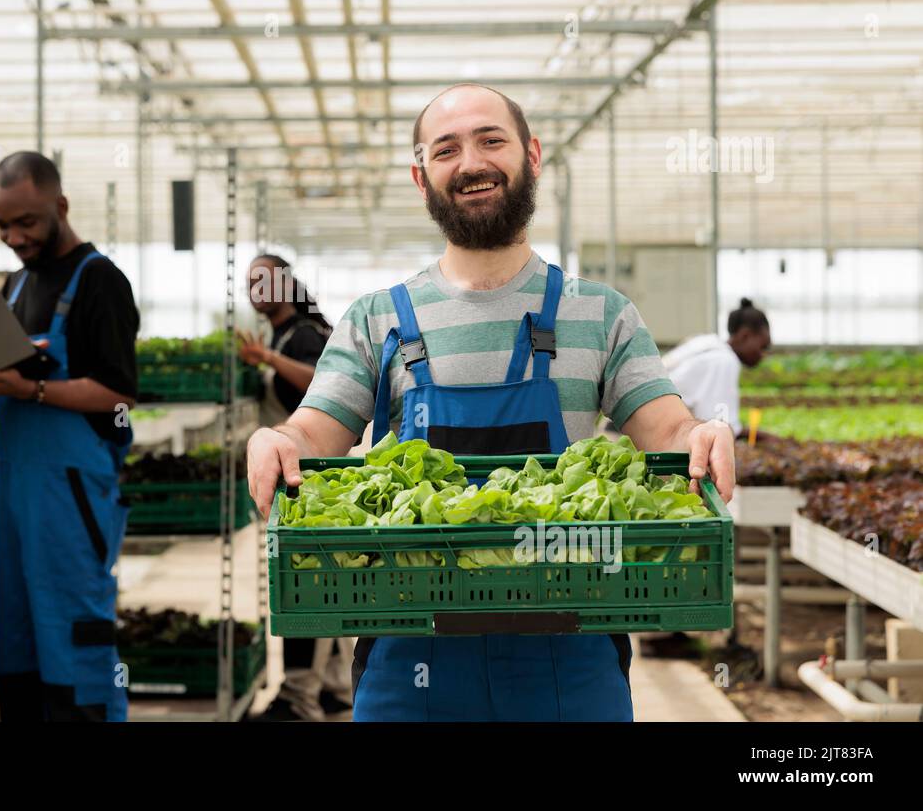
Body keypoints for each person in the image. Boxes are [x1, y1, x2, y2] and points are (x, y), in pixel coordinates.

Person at [245, 83, 737, 722]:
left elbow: (668, 427)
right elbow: (315, 432)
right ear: (421, 178)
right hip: (409, 658)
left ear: (531, 155)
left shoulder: (603, 314)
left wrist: (700, 436)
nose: (471, 162)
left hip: (569, 656)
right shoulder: (374, 321)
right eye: (445, 149)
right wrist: (280, 440)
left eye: (491, 140)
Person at [0, 152, 139, 722]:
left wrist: (26, 389)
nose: (13, 236)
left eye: (26, 222)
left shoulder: (99, 280)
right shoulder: (13, 286)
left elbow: (118, 395)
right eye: (1, 225)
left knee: (74, 634)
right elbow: (7, 377)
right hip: (18, 492)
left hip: (72, 495)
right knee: (20, 636)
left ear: (60, 206)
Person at [237, 254, 352, 721]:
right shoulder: (284, 334)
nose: (255, 290)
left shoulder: (304, 336)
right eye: (250, 283)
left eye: (264, 281)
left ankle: (300, 695)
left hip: (307, 476)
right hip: (287, 470)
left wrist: (267, 359)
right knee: (319, 578)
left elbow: (320, 386)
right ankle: (334, 688)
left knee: (307, 581)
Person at [663, 298, 773, 438]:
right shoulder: (724, 361)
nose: (763, 355)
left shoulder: (708, 343)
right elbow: (718, 425)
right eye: (763, 347)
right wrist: (765, 437)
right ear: (745, 336)